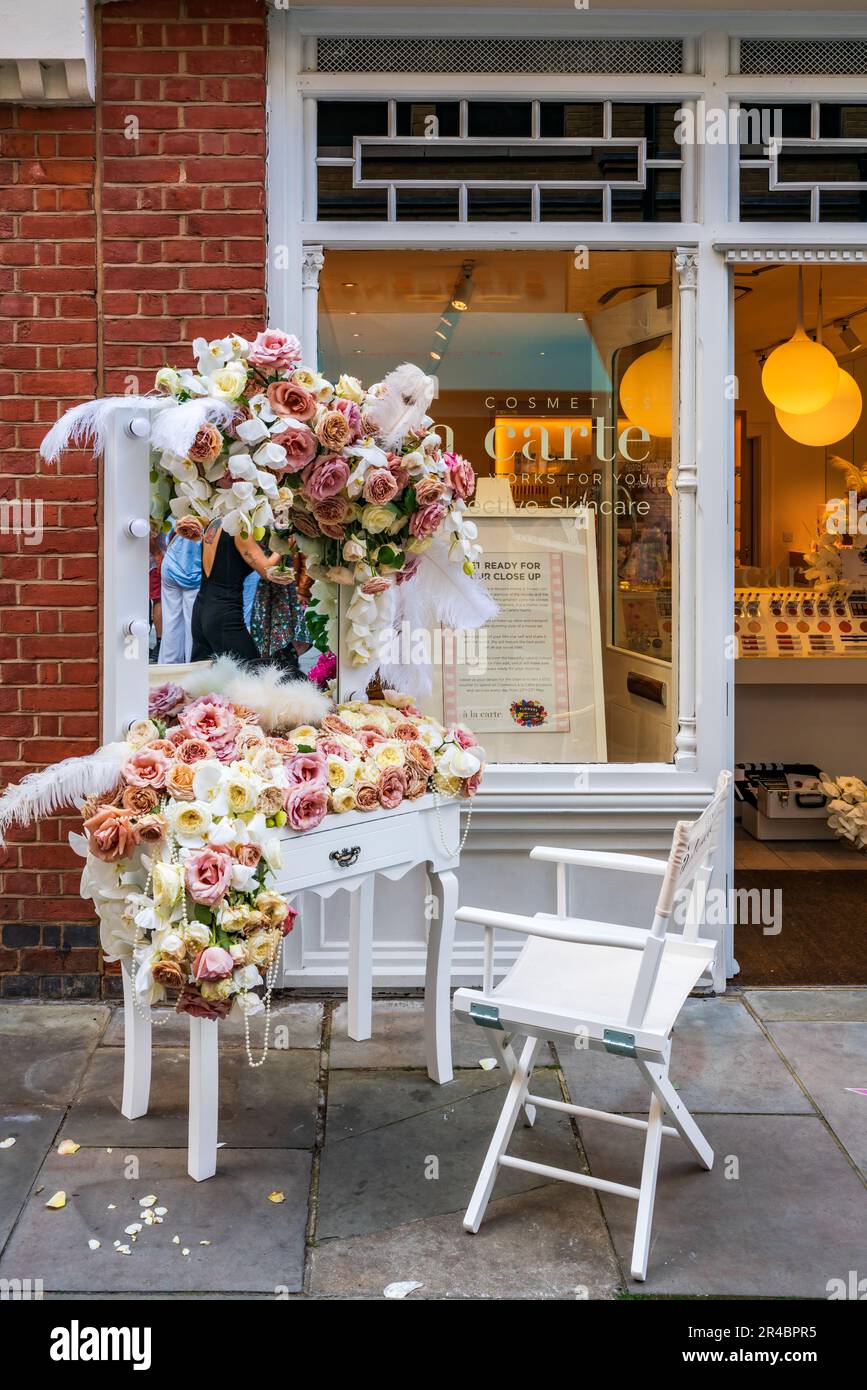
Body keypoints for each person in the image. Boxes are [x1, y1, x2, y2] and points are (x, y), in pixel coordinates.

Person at [190, 519, 292, 663]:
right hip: (223, 612)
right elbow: (266, 570)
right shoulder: (239, 529)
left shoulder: (215, 521)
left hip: (201, 609)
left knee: (206, 675)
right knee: (251, 672)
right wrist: (285, 544)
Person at [158, 526, 202, 664]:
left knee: (171, 623)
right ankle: (191, 673)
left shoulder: (180, 511)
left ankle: (167, 672)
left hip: (171, 564)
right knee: (193, 627)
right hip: (195, 572)